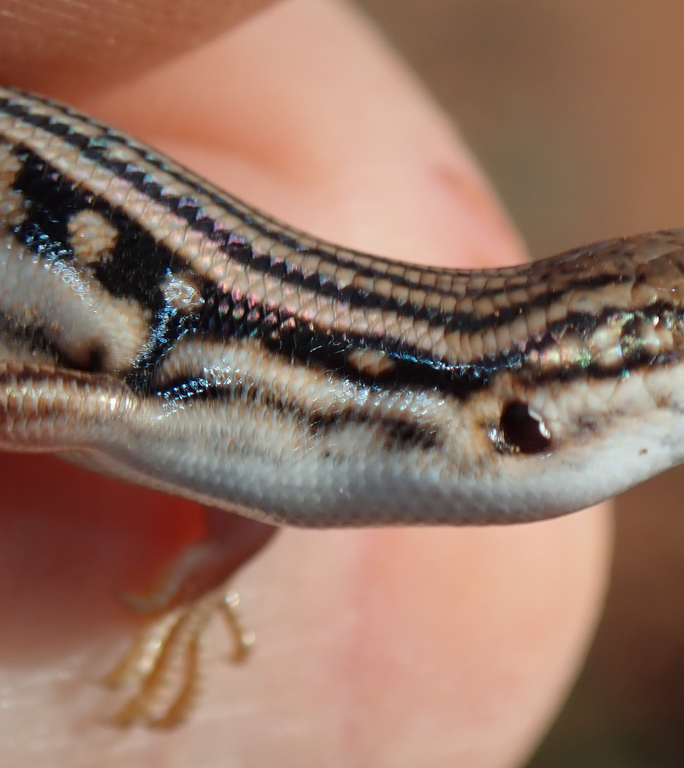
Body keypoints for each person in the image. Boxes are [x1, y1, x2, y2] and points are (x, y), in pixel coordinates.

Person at [0, 0, 612, 764]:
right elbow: (103, 412)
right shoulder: (277, 399)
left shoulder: (317, 419)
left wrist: (216, 558)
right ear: (522, 416)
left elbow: (262, 465)